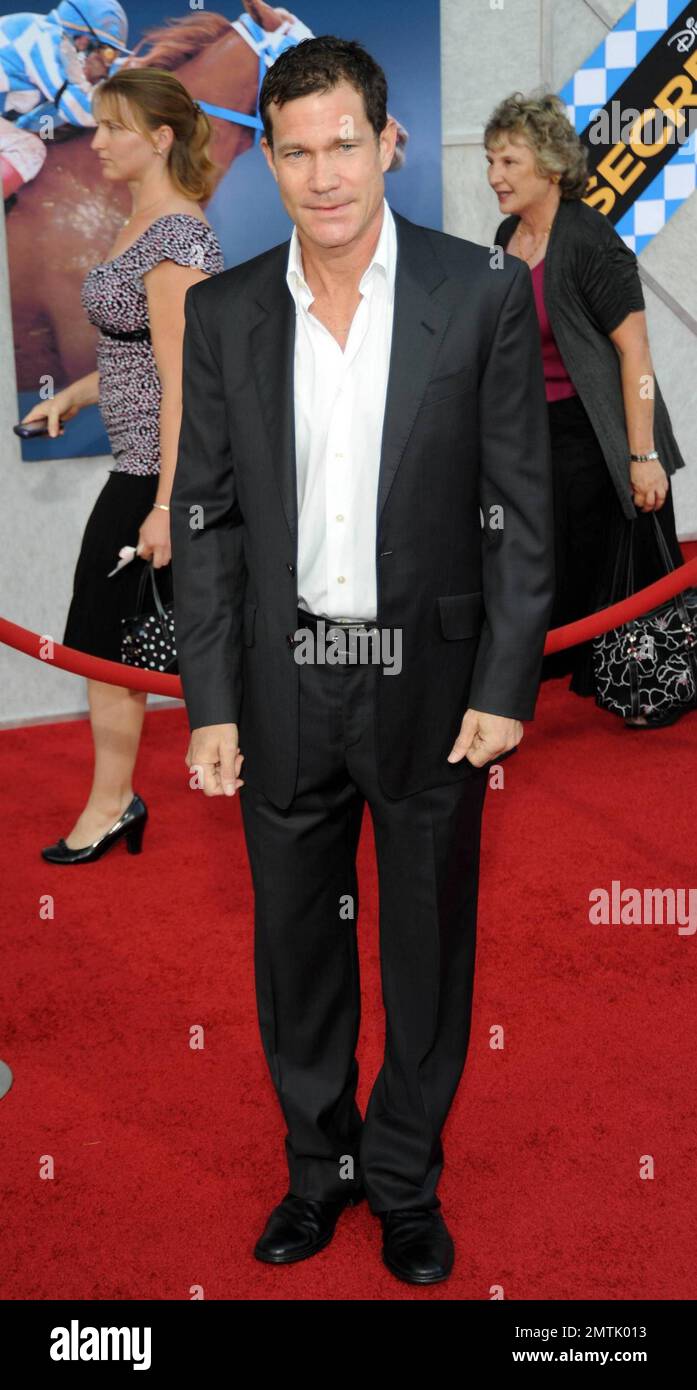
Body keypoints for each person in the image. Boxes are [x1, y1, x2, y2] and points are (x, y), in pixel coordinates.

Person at [169, 36, 555, 1285]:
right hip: (282, 679)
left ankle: (402, 1179)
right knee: (295, 946)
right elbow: (209, 519)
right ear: (266, 163)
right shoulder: (228, 313)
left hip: (431, 686)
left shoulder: (479, 291)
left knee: (428, 943)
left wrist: (505, 684)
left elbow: (521, 507)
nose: (324, 175)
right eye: (296, 151)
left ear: (386, 143)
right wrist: (212, 701)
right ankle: (315, 1169)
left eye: (346, 144)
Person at [21, 66, 225, 863]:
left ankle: (114, 803)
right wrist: (76, 394)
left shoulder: (177, 235)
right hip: (141, 464)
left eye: (112, 128)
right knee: (109, 641)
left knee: (107, 642)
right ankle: (114, 800)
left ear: (161, 136)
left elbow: (185, 383)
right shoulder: (139, 219)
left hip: (158, 475)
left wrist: (166, 505)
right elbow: (137, 358)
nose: (95, 141)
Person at [486, 91, 690, 728]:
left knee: (626, 576)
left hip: (599, 432)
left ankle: (650, 688)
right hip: (536, 432)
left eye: (509, 162)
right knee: (543, 559)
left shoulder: (587, 237)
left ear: (549, 166)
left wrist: (643, 456)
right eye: (491, 161)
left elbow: (637, 354)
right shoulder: (505, 236)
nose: (494, 175)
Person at [0, 0, 132, 203]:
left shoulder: (57, 55)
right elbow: (80, 110)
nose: (108, 66)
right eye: (108, 54)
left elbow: (36, 124)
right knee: (29, 149)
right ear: (82, 42)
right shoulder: (47, 40)